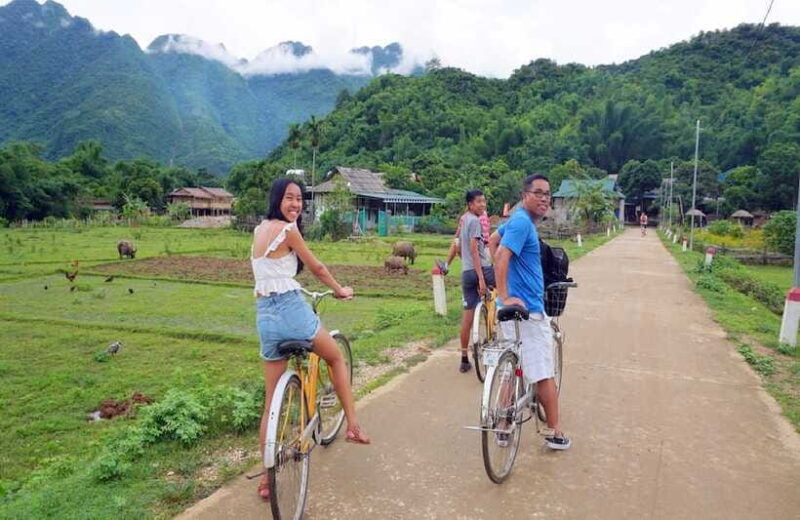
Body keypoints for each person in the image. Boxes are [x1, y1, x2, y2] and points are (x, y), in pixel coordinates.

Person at [251, 178, 370, 500]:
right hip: (291, 312)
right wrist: (339, 290)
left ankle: (266, 479)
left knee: (269, 404)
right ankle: (353, 426)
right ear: (277, 199)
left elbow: (271, 274)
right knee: (334, 357)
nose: (295, 204)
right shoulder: (288, 231)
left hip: (265, 318)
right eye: (289, 198)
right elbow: (316, 266)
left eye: (300, 199)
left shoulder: (260, 229)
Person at [493, 174, 571, 450]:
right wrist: (506, 294)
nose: (544, 198)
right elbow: (501, 255)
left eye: (547, 194)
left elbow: (492, 241)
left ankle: (502, 425)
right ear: (525, 195)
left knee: (510, 367)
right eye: (538, 193)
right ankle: (554, 431)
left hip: (512, 311)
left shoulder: (516, 222)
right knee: (543, 372)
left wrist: (505, 295)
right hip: (528, 312)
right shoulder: (522, 223)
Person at [456, 189, 495, 373]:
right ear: (470, 204)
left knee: (467, 317)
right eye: (479, 202)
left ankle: (464, 358)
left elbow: (459, 248)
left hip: (466, 273)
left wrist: (467, 266)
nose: (483, 205)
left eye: (484, 201)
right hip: (481, 271)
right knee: (505, 283)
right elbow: (473, 249)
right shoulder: (476, 221)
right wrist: (481, 278)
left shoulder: (464, 220)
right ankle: (495, 331)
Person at [438, 209, 491, 275]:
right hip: (487, 250)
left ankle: (446, 265)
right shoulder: (484, 215)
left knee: (456, 242)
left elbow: (458, 234)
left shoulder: (465, 217)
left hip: (476, 251)